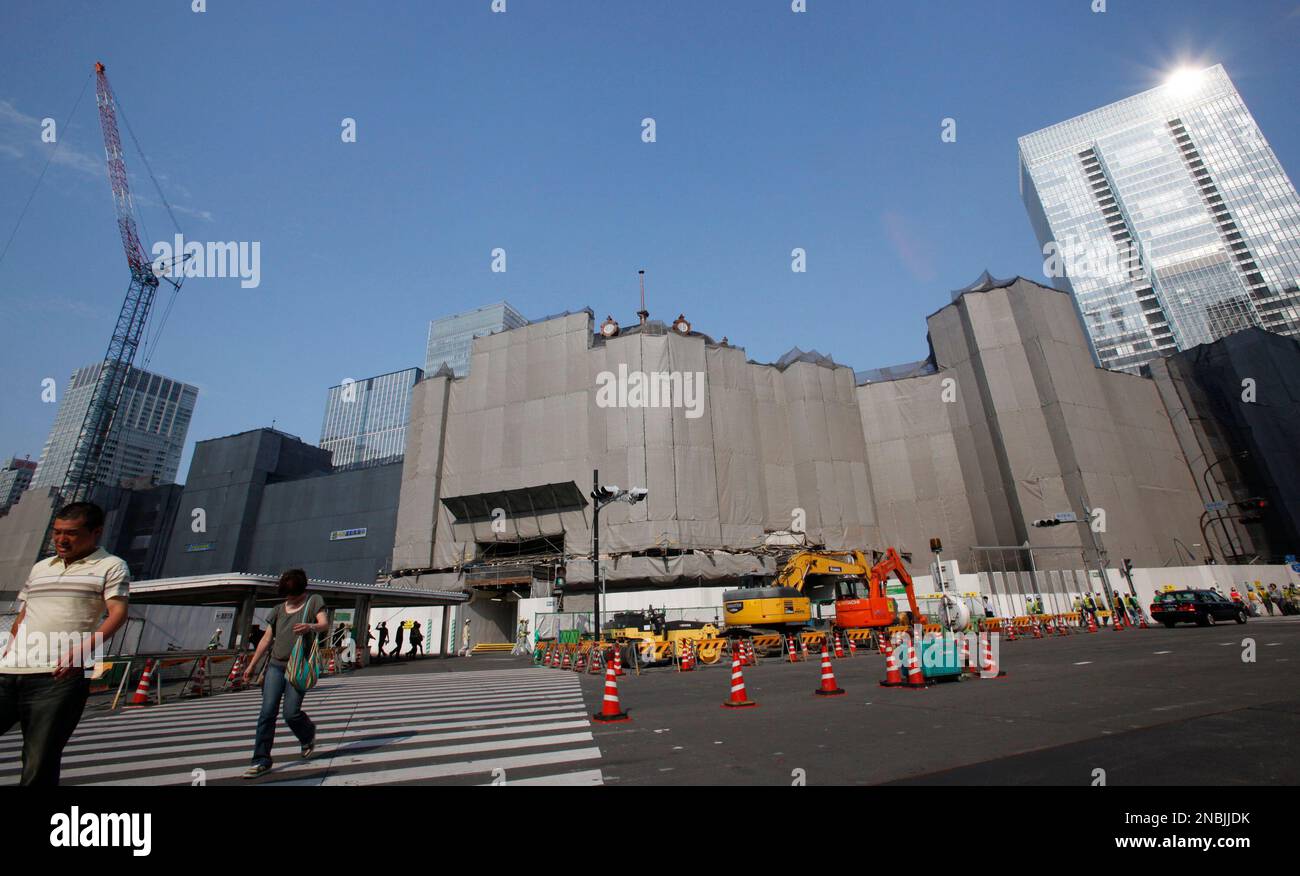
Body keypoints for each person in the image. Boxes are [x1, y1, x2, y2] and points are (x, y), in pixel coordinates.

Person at [0, 502, 129, 786]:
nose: (61, 539)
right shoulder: (41, 567)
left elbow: (118, 614)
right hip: (9, 671)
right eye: (56, 532)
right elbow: (24, 613)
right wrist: (7, 648)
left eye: (70, 533)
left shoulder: (112, 566)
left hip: (59, 677)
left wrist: (80, 653)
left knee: (39, 759)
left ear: (96, 532)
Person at [242, 568, 327, 778]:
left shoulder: (314, 601)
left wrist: (310, 626)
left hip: (298, 666)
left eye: (293, 595)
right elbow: (266, 639)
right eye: (287, 594)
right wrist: (252, 665)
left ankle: (307, 734)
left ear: (301, 591)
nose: (290, 598)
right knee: (267, 712)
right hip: (275, 666)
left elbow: (324, 624)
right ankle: (261, 759)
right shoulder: (278, 609)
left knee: (291, 713)